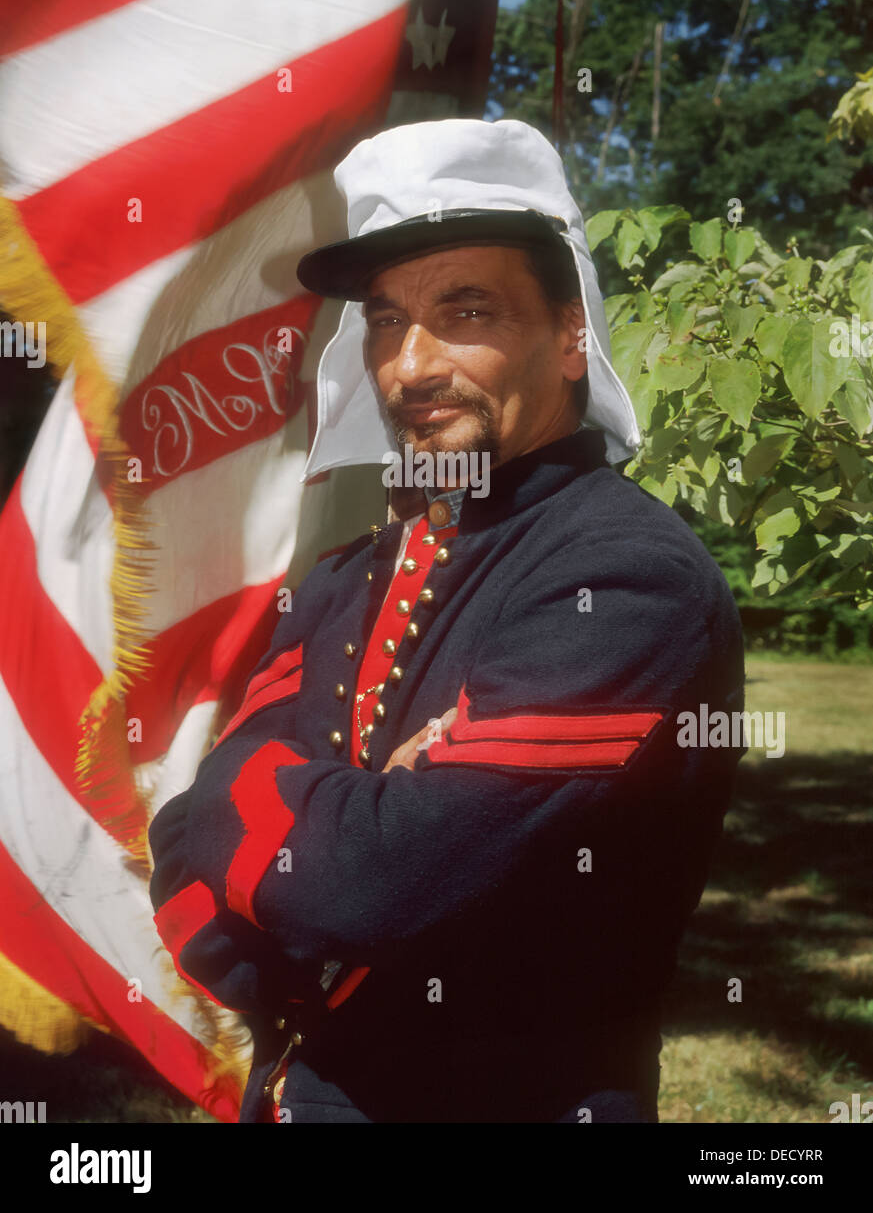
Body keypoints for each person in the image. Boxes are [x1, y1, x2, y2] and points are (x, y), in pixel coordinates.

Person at [149, 118, 744, 1124]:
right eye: (384, 320)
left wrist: (270, 813)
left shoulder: (626, 576)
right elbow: (184, 834)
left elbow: (375, 881)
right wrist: (331, 808)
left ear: (568, 337)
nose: (409, 364)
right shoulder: (347, 576)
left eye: (465, 311)